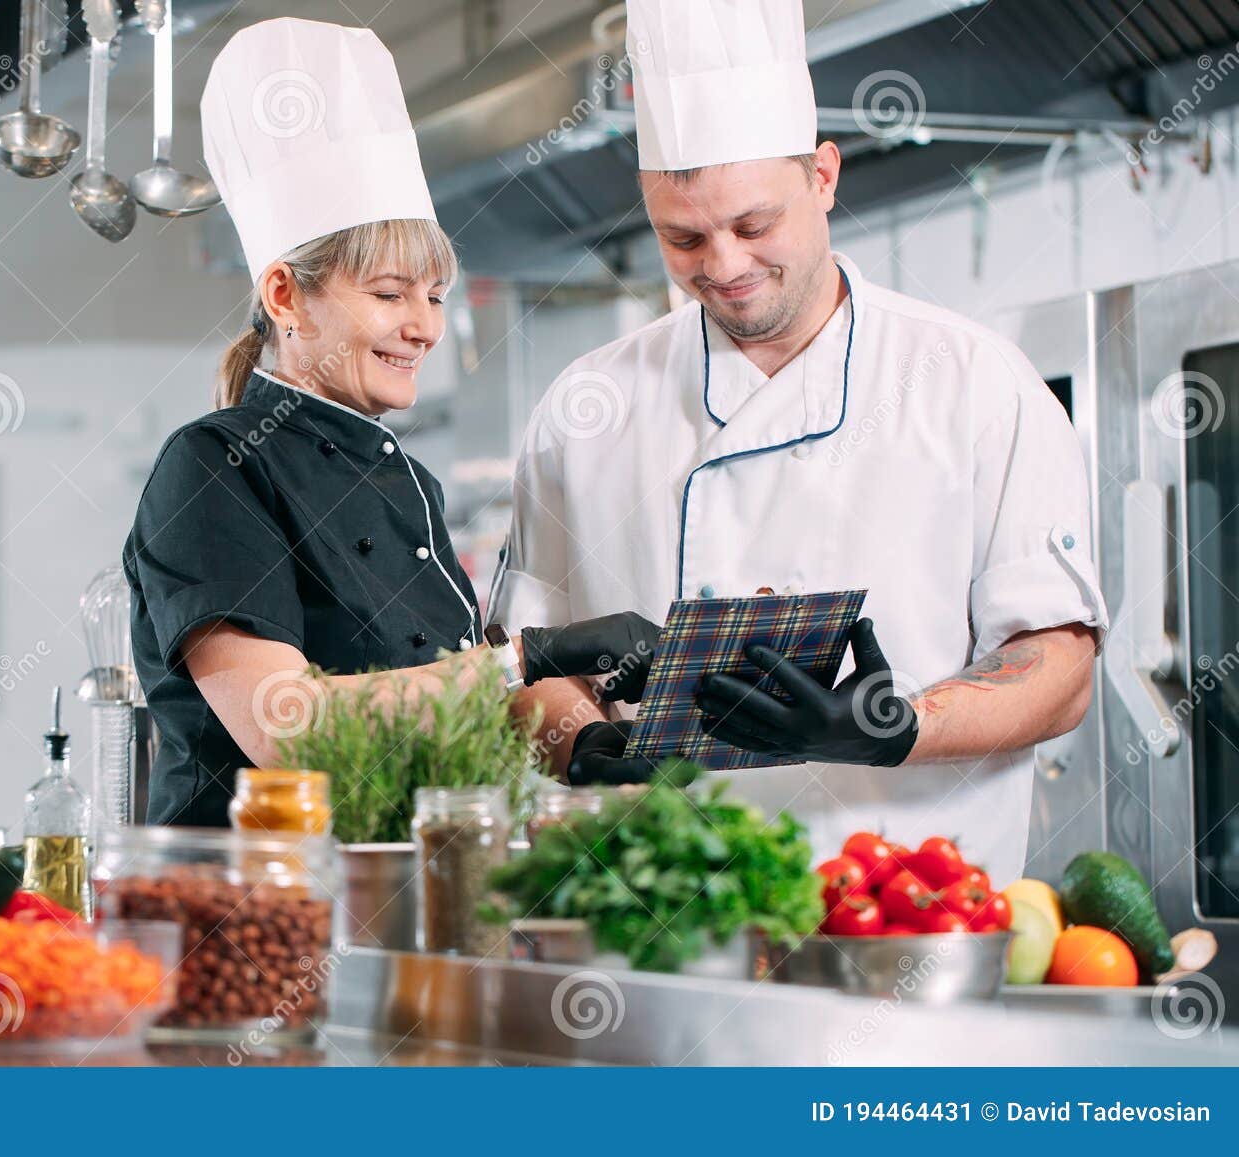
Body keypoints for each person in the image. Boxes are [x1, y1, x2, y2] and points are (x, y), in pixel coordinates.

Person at [491, 0, 1107, 884]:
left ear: (823, 176)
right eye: (684, 237)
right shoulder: (584, 410)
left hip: (901, 928)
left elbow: (1059, 666)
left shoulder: (976, 383)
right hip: (660, 930)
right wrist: (582, 741)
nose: (725, 265)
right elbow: (520, 667)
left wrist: (895, 723)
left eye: (754, 225)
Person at [123, 17, 651, 826]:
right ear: (285, 296)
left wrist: (587, 746)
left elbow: (456, 692)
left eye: (433, 296)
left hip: (402, 890)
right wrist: (523, 659)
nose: (425, 327)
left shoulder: (412, 482)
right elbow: (289, 729)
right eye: (389, 294)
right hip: (253, 912)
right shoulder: (213, 468)